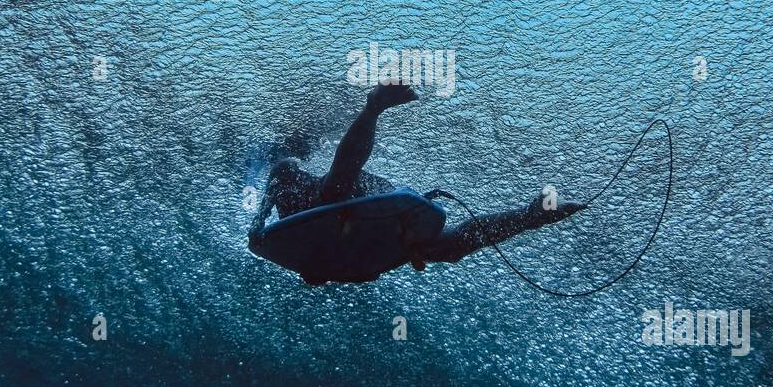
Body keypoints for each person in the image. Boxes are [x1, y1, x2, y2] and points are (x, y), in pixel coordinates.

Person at [248, 84, 586, 283]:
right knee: (447, 250)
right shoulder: (284, 173)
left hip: (361, 201)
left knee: (334, 191)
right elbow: (268, 217)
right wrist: (260, 226)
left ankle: (374, 106)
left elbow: (293, 193)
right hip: (344, 233)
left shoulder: (289, 172)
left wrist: (261, 226)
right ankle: (530, 216)